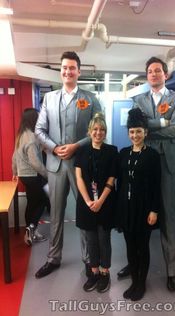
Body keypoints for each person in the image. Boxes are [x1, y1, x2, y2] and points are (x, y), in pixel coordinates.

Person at [34, 51, 101, 279]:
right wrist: (54, 147)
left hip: (81, 164)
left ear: (79, 71)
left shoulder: (91, 99)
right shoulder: (50, 98)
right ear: (60, 70)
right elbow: (39, 130)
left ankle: (88, 259)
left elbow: (97, 131)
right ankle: (53, 258)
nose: (67, 71)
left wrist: (76, 146)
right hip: (55, 165)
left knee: (84, 214)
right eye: (64, 67)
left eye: (72, 68)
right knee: (56, 215)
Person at [132, 57, 175, 292]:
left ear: (166, 74)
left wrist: (151, 126)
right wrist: (163, 122)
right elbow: (136, 127)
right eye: (150, 71)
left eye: (158, 71)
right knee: (139, 214)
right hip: (144, 161)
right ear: (147, 76)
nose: (154, 74)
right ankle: (135, 266)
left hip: (166, 163)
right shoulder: (138, 99)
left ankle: (171, 272)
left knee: (168, 219)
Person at [116, 108, 161, 301]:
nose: (135, 135)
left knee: (142, 246)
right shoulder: (124, 153)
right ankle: (134, 280)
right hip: (126, 208)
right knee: (129, 246)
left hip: (144, 208)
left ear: (145, 133)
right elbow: (118, 181)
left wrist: (154, 210)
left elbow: (156, 185)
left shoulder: (152, 155)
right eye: (132, 132)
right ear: (128, 133)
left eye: (139, 131)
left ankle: (141, 283)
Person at [75, 113, 118, 293]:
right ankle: (93, 272)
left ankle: (104, 272)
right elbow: (79, 177)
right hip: (86, 204)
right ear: (89, 132)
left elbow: (112, 177)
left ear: (105, 132)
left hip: (105, 202)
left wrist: (100, 200)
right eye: (95, 129)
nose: (98, 133)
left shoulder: (112, 150)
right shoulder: (82, 151)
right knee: (90, 239)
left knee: (103, 238)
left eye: (101, 130)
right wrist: (87, 201)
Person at [12, 108, 49, 246]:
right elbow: (35, 163)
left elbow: (14, 156)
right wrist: (47, 175)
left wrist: (15, 172)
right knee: (42, 201)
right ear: (33, 119)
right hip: (33, 176)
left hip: (23, 175)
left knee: (31, 203)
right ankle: (31, 228)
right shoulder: (32, 138)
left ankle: (31, 230)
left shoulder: (21, 135)